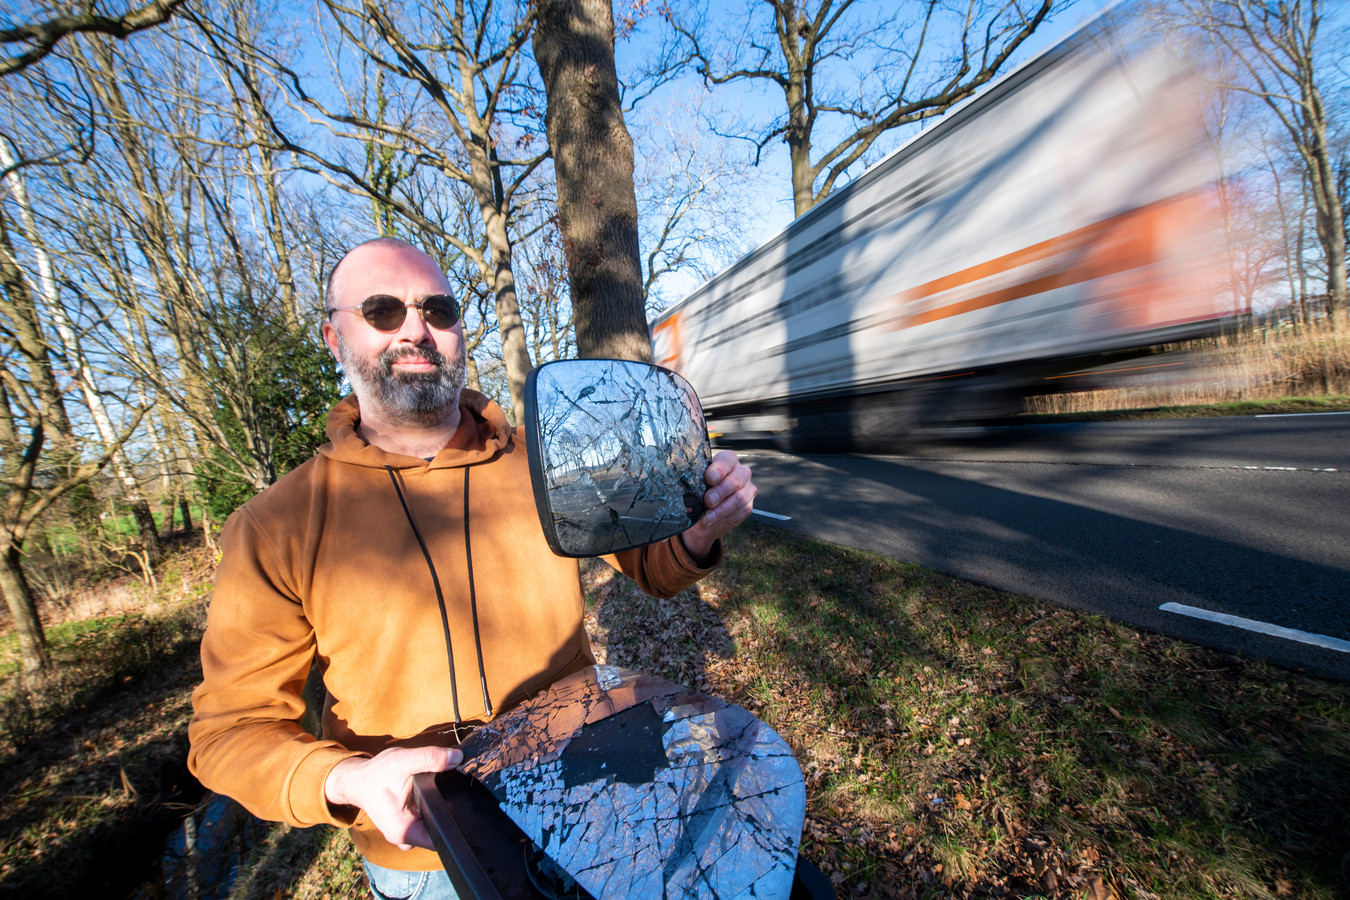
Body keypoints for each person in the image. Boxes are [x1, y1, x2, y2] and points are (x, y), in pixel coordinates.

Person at [187, 237, 756, 900]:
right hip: (425, 864)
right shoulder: (276, 525)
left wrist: (698, 531)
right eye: (381, 311)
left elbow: (653, 566)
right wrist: (346, 781)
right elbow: (229, 732)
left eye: (439, 308)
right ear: (334, 336)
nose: (416, 329)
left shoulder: (545, 459)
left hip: (581, 802)